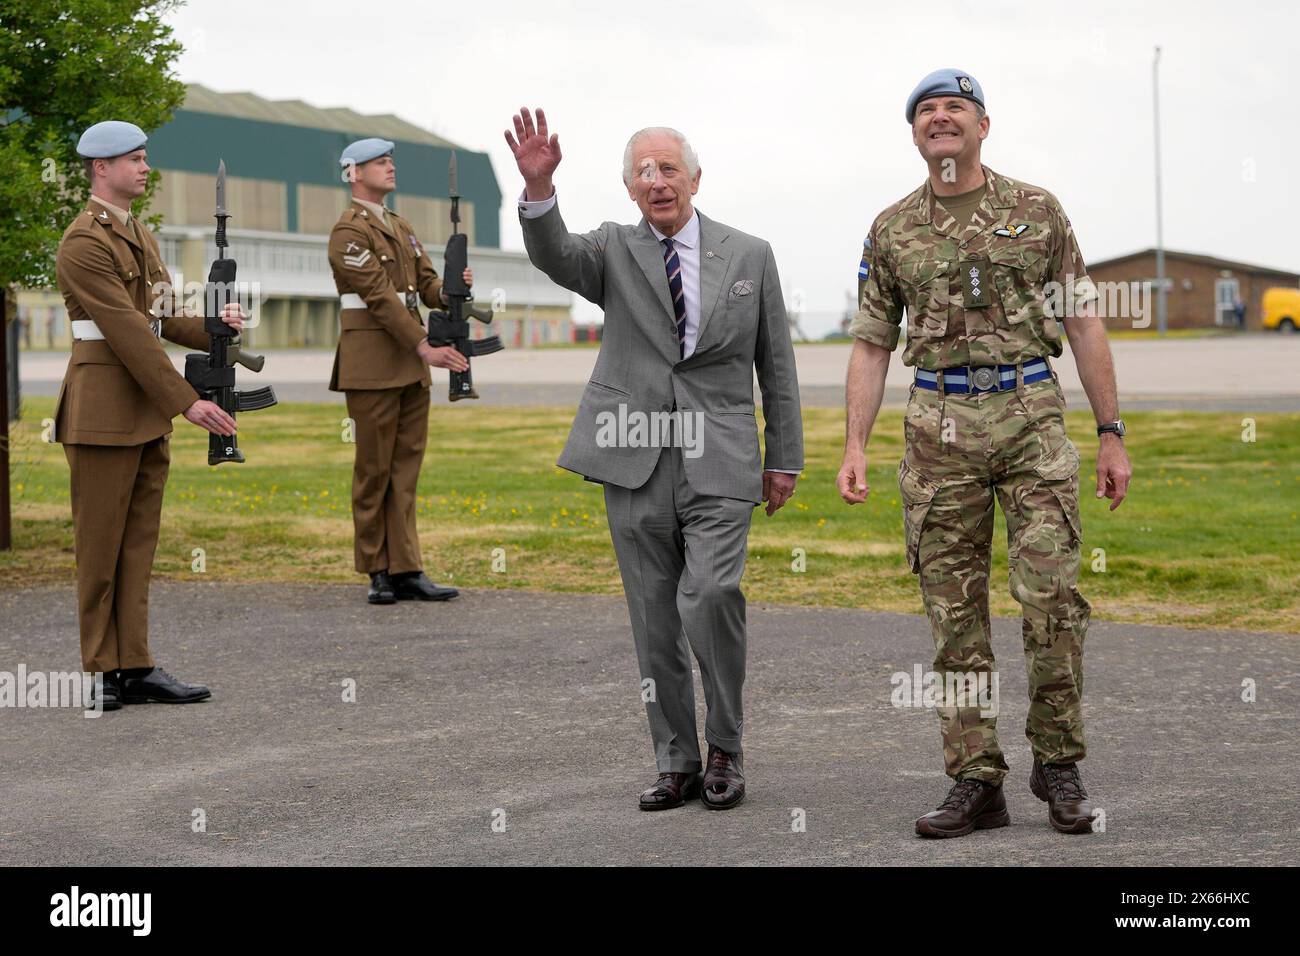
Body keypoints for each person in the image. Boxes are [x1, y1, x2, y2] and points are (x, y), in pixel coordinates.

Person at [837, 70, 1133, 836]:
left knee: (1053, 600)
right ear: (914, 135)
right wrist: (855, 446)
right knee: (954, 615)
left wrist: (1111, 432)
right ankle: (976, 780)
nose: (941, 118)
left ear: (983, 126)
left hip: (1031, 414)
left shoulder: (1037, 211)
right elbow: (872, 344)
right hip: (936, 426)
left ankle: (1058, 762)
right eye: (927, 111)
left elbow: (1083, 322)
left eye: (955, 108)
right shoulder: (892, 228)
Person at [506, 108, 804, 811]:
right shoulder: (611, 248)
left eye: (668, 168)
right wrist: (539, 189)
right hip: (633, 452)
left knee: (708, 596)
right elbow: (554, 255)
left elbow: (778, 365)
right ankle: (677, 760)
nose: (656, 180)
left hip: (723, 454)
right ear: (629, 189)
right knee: (653, 617)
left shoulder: (750, 254)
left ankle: (725, 745)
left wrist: (784, 456)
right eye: (643, 172)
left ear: (694, 178)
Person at [55, 120, 246, 711]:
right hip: (103, 410)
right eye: (133, 159)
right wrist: (187, 401)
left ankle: (134, 664)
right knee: (100, 546)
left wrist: (213, 324)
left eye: (144, 158)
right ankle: (98, 671)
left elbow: (160, 313)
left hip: (140, 410)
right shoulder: (84, 240)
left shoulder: (139, 232)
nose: (144, 167)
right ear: (100, 168)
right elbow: (128, 332)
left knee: (137, 545)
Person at [327, 138, 468, 605]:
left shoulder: (401, 226)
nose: (390, 167)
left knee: (405, 469)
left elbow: (421, 285)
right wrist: (423, 343)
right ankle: (376, 569)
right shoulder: (347, 232)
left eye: (390, 161)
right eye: (379, 163)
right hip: (372, 363)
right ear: (353, 172)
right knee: (373, 469)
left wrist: (450, 288)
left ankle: (407, 567)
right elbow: (380, 299)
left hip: (408, 361)